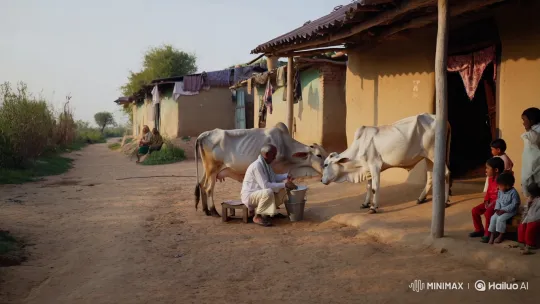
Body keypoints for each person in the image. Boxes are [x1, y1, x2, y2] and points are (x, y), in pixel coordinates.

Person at [241, 144, 297, 227]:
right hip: (250, 196)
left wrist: (286, 176)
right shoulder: (257, 166)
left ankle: (271, 213)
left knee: (283, 190)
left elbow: (273, 177)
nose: (275, 157)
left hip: (259, 193)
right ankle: (258, 216)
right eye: (273, 155)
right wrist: (285, 184)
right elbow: (266, 185)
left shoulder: (266, 164)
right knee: (268, 192)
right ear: (267, 155)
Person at [469, 157, 505, 242]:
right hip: (490, 202)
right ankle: (479, 230)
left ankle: (487, 234)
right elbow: (488, 192)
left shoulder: (502, 180)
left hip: (498, 203)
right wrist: (486, 201)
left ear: (496, 170)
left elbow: (501, 196)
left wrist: (491, 204)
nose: (486, 170)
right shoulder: (490, 179)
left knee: (487, 213)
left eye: (488, 168)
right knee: (475, 210)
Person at [487, 173, 520, 244]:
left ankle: (501, 235)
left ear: (507, 186)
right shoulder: (500, 191)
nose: (498, 187)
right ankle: (492, 234)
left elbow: (514, 204)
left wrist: (504, 210)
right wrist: (497, 209)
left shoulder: (513, 193)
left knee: (500, 219)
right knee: (493, 217)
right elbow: (498, 200)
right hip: (500, 210)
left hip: (510, 211)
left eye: (500, 185)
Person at [520, 107, 540, 199]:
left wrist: (528, 129)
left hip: (536, 165)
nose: (523, 123)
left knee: (534, 188)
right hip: (530, 164)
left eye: (524, 120)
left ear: (532, 120)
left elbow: (535, 140)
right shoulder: (532, 130)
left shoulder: (537, 130)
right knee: (529, 187)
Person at [518, 183, 540, 255]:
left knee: (531, 226)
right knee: (522, 225)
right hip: (529, 217)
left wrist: (531, 219)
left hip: (536, 218)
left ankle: (530, 245)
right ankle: (522, 242)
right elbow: (526, 210)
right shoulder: (530, 199)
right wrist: (529, 204)